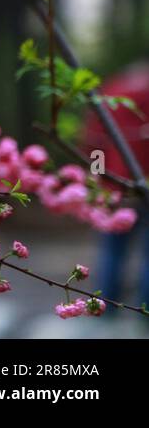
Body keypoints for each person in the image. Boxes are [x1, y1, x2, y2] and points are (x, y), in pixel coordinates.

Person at [87, 62, 149, 314]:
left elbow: (93, 141)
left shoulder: (110, 92)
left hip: (113, 184)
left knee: (112, 248)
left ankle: (106, 308)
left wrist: (98, 179)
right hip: (143, 181)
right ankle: (145, 311)